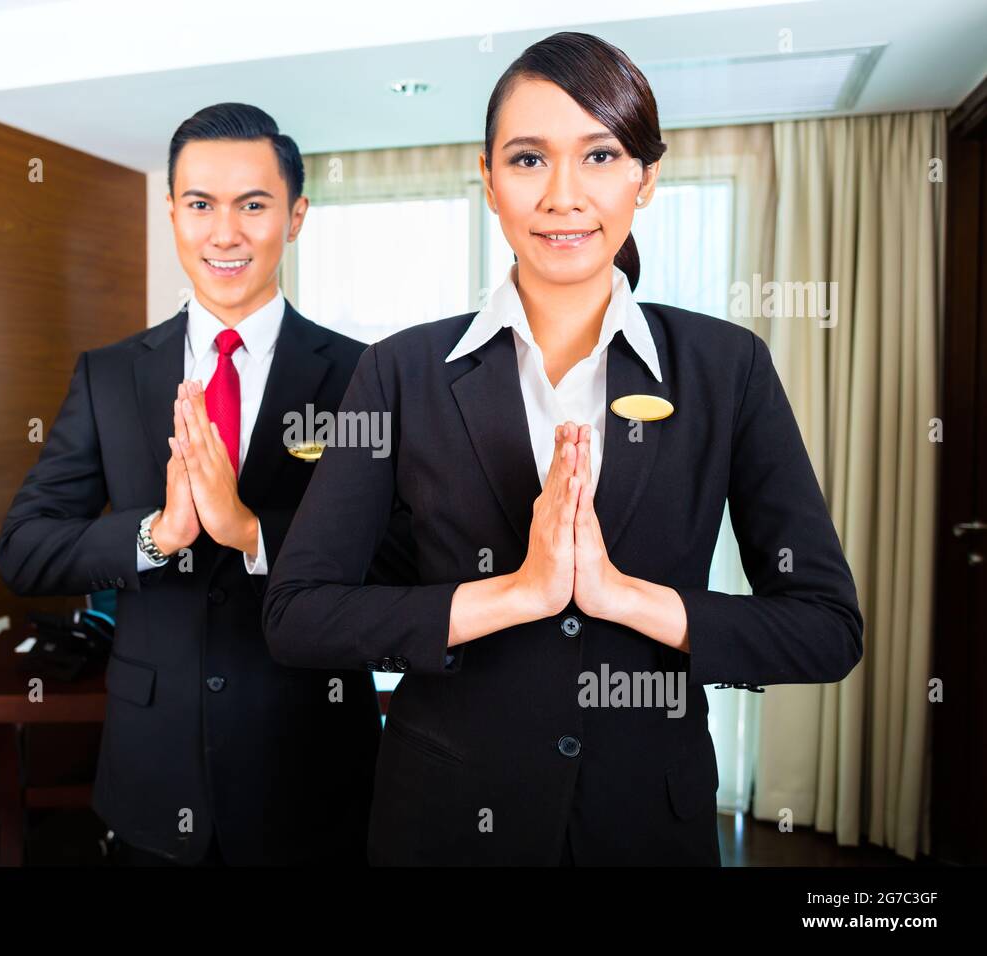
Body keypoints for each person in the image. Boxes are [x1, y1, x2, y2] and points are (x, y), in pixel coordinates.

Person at [262, 32, 863, 866]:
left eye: (601, 154)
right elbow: (298, 615)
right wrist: (514, 595)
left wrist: (620, 596)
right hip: (444, 818)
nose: (563, 195)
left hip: (650, 820)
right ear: (488, 179)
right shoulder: (399, 371)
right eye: (528, 159)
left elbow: (826, 630)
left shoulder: (729, 370)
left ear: (645, 178)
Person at [0, 103, 400, 866]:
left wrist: (253, 531)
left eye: (254, 205)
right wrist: (159, 534)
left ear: (297, 216)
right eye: (200, 204)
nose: (225, 233)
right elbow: (24, 550)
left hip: (311, 768)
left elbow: (406, 563)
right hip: (154, 773)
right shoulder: (109, 376)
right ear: (173, 213)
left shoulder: (364, 375)